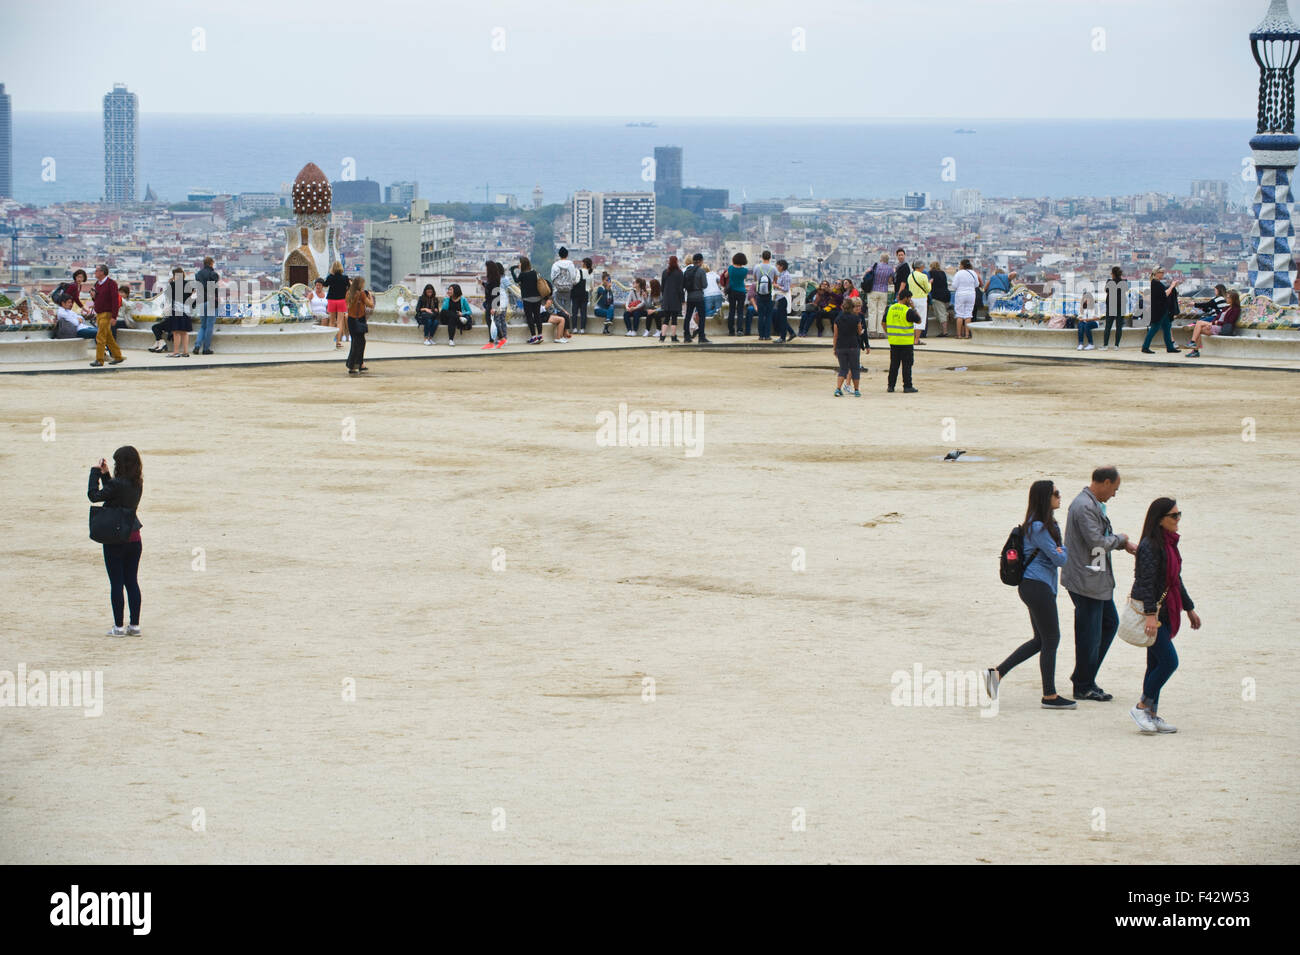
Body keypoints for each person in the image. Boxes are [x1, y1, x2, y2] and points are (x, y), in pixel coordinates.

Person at [984, 481, 1076, 709]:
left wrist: (1058, 549)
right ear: (1046, 498)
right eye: (1056, 493)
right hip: (1037, 586)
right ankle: (1049, 695)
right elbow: (1061, 559)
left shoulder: (1042, 524)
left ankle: (997, 673)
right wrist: (1062, 549)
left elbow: (1056, 554)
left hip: (1036, 586)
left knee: (1040, 640)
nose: (1060, 496)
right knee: (1052, 639)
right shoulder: (1038, 527)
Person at [1060, 467, 1136, 703]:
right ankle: (1083, 683)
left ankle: (1085, 677)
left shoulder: (1088, 504)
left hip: (1092, 580)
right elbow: (1096, 542)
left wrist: (1121, 543)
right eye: (1114, 489)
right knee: (1089, 633)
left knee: (1106, 625)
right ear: (1104, 482)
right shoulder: (1085, 506)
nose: (1114, 494)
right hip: (1086, 581)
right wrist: (1121, 540)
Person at [1128, 497, 1200, 734]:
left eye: (1180, 514)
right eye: (1174, 515)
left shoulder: (1169, 543)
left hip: (1169, 610)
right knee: (1169, 661)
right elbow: (1145, 583)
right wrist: (1150, 615)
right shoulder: (1150, 545)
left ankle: (1151, 714)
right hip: (1156, 612)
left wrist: (1189, 608)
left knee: (1155, 663)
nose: (1178, 519)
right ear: (1160, 519)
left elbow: (1175, 579)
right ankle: (1141, 707)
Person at [87, 446, 144, 637]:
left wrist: (95, 472)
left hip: (115, 539)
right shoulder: (137, 483)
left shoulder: (118, 484)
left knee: (116, 583)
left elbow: (94, 496)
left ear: (121, 464)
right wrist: (106, 476)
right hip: (134, 537)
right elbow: (116, 493)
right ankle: (134, 626)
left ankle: (118, 627)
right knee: (132, 582)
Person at [87, 264, 126, 367]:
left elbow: (115, 301)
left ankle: (99, 359)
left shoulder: (111, 284)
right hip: (99, 314)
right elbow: (98, 300)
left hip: (107, 314)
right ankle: (118, 356)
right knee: (108, 337)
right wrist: (93, 297)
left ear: (102, 272)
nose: (95, 273)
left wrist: (114, 316)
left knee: (100, 337)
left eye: (96, 271)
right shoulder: (97, 284)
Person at [884, 287, 920, 393]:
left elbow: (883, 323)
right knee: (907, 365)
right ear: (907, 298)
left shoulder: (890, 308)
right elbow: (919, 320)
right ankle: (907, 386)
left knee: (894, 365)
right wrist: (914, 308)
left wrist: (889, 333)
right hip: (906, 342)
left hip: (894, 341)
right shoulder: (908, 310)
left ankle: (891, 386)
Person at [1187, 289, 1239, 357]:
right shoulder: (1226, 307)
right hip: (1217, 325)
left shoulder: (1236, 309)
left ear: (1233, 299)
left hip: (1222, 328)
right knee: (1199, 329)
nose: (1226, 298)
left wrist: (1215, 323)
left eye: (1228, 297)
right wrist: (1213, 323)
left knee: (1199, 323)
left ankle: (1193, 344)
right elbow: (1218, 316)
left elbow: (1229, 322)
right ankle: (1195, 350)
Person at [1141, 266, 1182, 354]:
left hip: (1163, 310)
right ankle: (1145, 347)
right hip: (1159, 311)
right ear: (1157, 273)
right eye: (1161, 272)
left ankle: (1170, 347)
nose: (1163, 274)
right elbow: (1164, 295)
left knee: (1167, 328)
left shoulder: (1156, 283)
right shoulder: (1156, 283)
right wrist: (1172, 286)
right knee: (1154, 328)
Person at [832, 296, 865, 396]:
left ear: (842, 307)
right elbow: (859, 332)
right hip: (853, 345)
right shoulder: (856, 318)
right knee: (855, 368)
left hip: (841, 346)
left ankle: (838, 388)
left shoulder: (838, 319)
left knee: (843, 369)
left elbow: (835, 335)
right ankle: (856, 390)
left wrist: (834, 348)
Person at [510, 256, 544, 344]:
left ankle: (533, 336)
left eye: (520, 263)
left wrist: (512, 270)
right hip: (537, 297)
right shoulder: (534, 272)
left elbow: (516, 281)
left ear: (523, 264)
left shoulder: (522, 275)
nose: (519, 264)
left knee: (530, 317)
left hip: (527, 299)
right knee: (537, 316)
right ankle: (540, 335)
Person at [345, 276, 373, 374]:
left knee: (355, 343)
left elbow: (347, 305)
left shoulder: (348, 293)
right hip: (359, 319)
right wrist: (370, 296)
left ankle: (358, 364)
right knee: (360, 343)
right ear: (360, 284)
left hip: (351, 320)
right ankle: (354, 365)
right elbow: (371, 305)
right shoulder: (361, 294)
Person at [164, 267, 194, 359]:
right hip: (186, 310)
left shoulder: (173, 284)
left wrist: (170, 283)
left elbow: (168, 295)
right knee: (184, 332)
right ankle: (185, 352)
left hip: (176, 309)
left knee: (176, 332)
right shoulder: (188, 284)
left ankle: (176, 352)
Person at [194, 255, 220, 355]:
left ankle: (197, 345)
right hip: (210, 302)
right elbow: (213, 289)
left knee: (203, 326)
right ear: (211, 263)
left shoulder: (198, 274)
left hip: (201, 301)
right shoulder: (213, 274)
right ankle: (206, 348)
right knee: (209, 326)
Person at [682, 253, 710, 344]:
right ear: (701, 261)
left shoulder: (687, 270)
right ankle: (701, 337)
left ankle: (687, 337)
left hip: (689, 296)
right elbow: (705, 285)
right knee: (702, 317)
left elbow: (683, 284)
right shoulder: (701, 271)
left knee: (688, 316)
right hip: (699, 296)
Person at [752, 250, 778, 341]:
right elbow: (775, 280)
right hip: (769, 294)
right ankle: (767, 335)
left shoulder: (757, 267)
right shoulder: (773, 268)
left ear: (761, 257)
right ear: (770, 257)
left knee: (761, 315)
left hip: (759, 294)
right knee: (768, 315)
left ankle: (761, 335)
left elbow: (755, 278)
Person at [866, 255, 894, 338]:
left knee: (872, 311)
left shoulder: (875, 266)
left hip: (873, 290)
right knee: (881, 311)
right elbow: (890, 281)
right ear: (887, 260)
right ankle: (881, 332)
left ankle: (872, 331)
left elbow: (867, 272)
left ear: (880, 259)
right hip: (883, 291)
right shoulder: (890, 269)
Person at [481, 261, 507, 349]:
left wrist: (494, 307)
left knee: (491, 322)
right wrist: (482, 283)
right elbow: (490, 289)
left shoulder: (494, 280)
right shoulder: (493, 279)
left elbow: (496, 294)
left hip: (491, 304)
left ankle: (492, 341)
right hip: (490, 303)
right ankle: (500, 338)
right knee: (491, 322)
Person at [951, 259, 979, 340]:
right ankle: (967, 334)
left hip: (960, 294)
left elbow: (954, 286)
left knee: (959, 314)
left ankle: (959, 335)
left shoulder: (959, 273)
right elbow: (977, 284)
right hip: (971, 294)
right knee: (968, 314)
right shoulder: (973, 273)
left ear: (962, 265)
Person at [324, 262, 350, 347]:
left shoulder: (330, 277)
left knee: (331, 321)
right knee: (340, 322)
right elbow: (349, 287)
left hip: (331, 300)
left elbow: (325, 284)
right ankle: (338, 342)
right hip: (341, 301)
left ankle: (331, 341)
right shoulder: (345, 278)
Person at [550, 247, 580, 320]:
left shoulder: (555, 265)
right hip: (568, 289)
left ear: (559, 255)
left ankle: (560, 324)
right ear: (567, 255)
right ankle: (567, 327)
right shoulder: (570, 264)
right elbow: (573, 276)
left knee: (559, 308)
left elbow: (552, 277)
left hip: (558, 289)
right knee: (567, 308)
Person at [660, 255, 684, 343]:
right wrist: (682, 300)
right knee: (674, 319)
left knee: (666, 319)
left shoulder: (665, 272)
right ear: (676, 262)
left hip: (666, 299)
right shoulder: (680, 273)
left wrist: (664, 296)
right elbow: (681, 288)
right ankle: (673, 337)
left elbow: (662, 287)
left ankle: (662, 337)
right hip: (676, 299)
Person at [1103, 266, 1128, 349]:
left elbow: (1106, 290)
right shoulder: (1124, 282)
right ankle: (1116, 345)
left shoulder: (1109, 282)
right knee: (1119, 326)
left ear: (1113, 274)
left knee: (1108, 326)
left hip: (1111, 306)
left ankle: (1105, 345)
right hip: (1121, 306)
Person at [907, 261, 931, 343]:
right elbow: (928, 289)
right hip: (921, 299)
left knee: (912, 319)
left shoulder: (910, 276)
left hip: (912, 300)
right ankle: (916, 339)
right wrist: (930, 283)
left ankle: (912, 338)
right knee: (920, 319)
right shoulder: (923, 276)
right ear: (920, 267)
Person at [773, 259, 796, 343]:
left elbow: (786, 289)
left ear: (781, 266)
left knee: (782, 318)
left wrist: (776, 286)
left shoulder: (785, 275)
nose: (777, 267)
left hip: (783, 298)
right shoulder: (782, 274)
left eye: (777, 265)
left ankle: (783, 337)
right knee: (781, 318)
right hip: (780, 298)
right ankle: (791, 332)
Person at [726, 253, 749, 335]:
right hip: (741, 291)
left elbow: (726, 276)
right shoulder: (745, 270)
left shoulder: (730, 268)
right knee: (740, 311)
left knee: (731, 311)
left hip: (732, 291)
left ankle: (731, 331)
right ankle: (739, 330)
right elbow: (744, 278)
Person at [928, 262, 951, 337]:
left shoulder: (931, 273)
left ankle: (945, 332)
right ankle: (948, 316)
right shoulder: (943, 273)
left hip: (937, 296)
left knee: (941, 315)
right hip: (946, 295)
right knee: (942, 313)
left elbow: (929, 284)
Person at [569, 257, 591, 334]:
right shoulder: (590, 273)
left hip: (576, 294)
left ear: (584, 264)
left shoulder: (579, 271)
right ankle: (582, 329)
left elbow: (575, 281)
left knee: (574, 312)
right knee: (583, 312)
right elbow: (590, 286)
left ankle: (574, 328)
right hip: (585, 295)